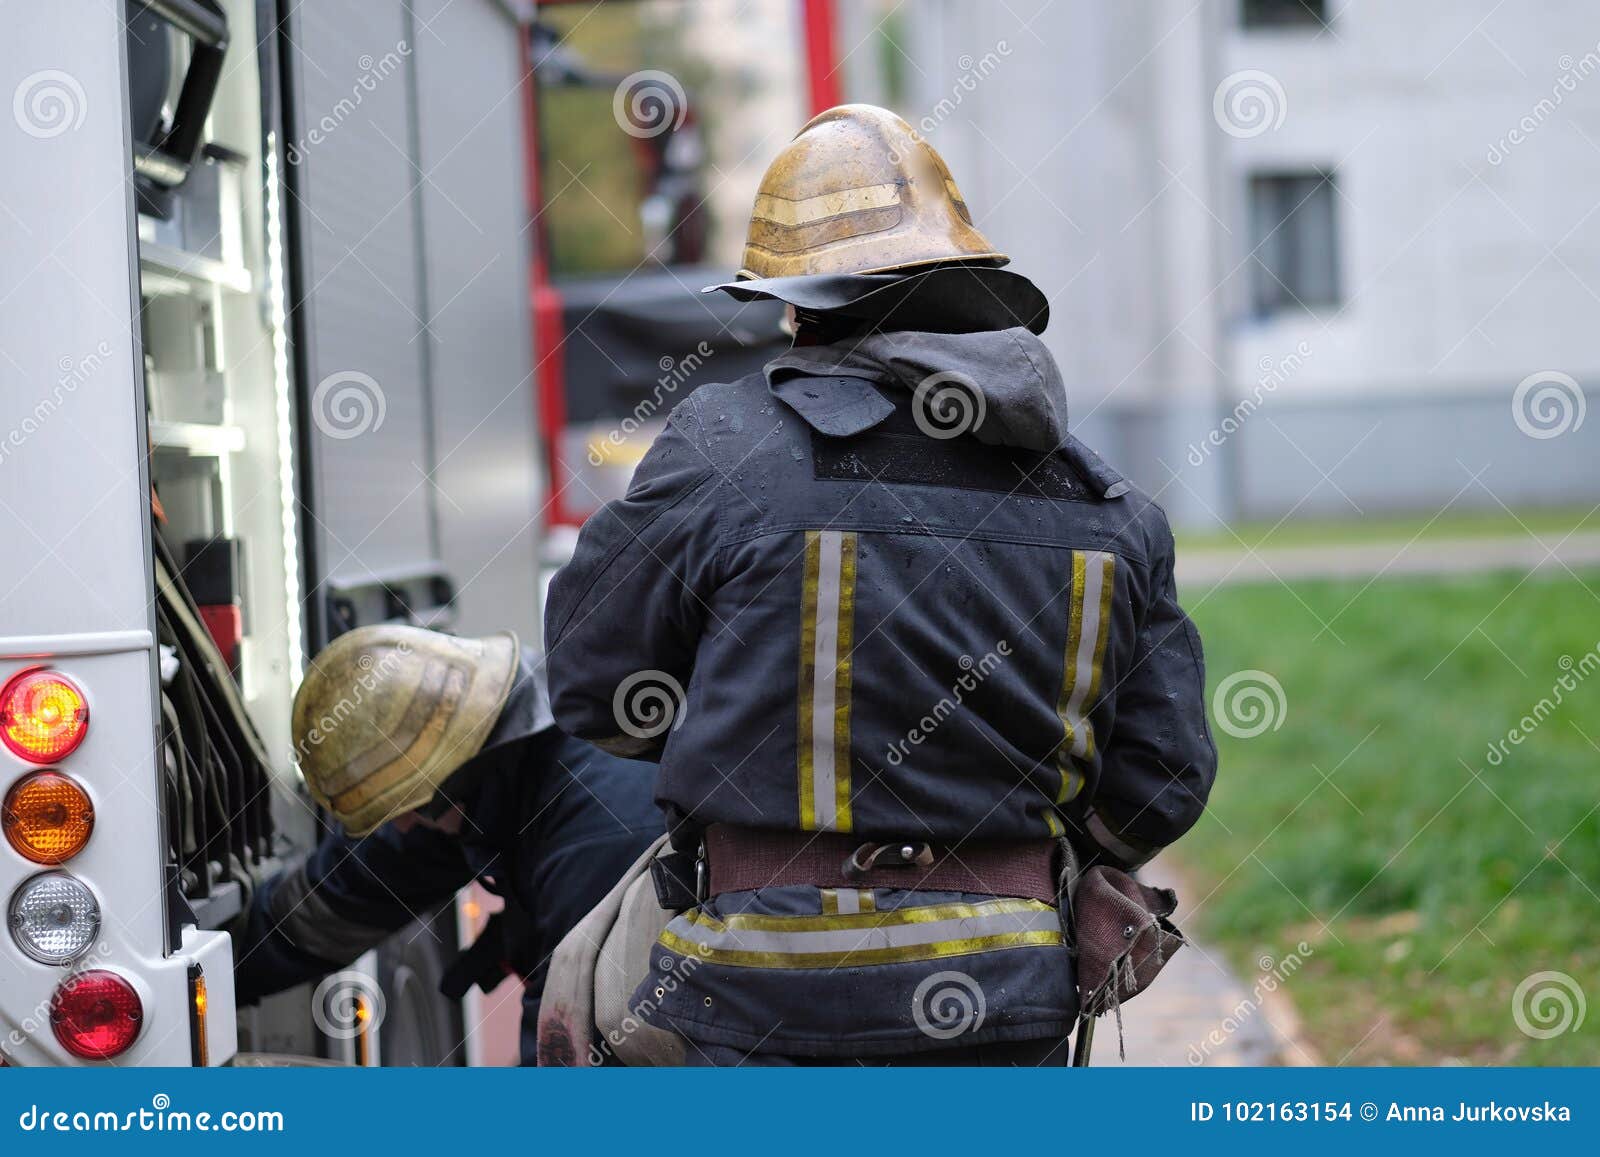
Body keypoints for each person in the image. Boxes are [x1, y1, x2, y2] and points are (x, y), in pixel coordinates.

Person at [542, 104, 1218, 1066]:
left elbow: (591, 682)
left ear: (804, 309)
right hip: (1009, 998)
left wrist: (744, 728)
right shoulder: (1111, 511)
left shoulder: (726, 450)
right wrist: (1021, 852)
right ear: (970, 296)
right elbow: (1163, 781)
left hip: (757, 991)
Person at [232, 625, 660, 1065]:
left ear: (455, 778)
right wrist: (222, 964)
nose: (402, 827)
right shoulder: (491, 768)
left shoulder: (596, 840)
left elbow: (571, 1056)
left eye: (409, 808)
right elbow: (348, 895)